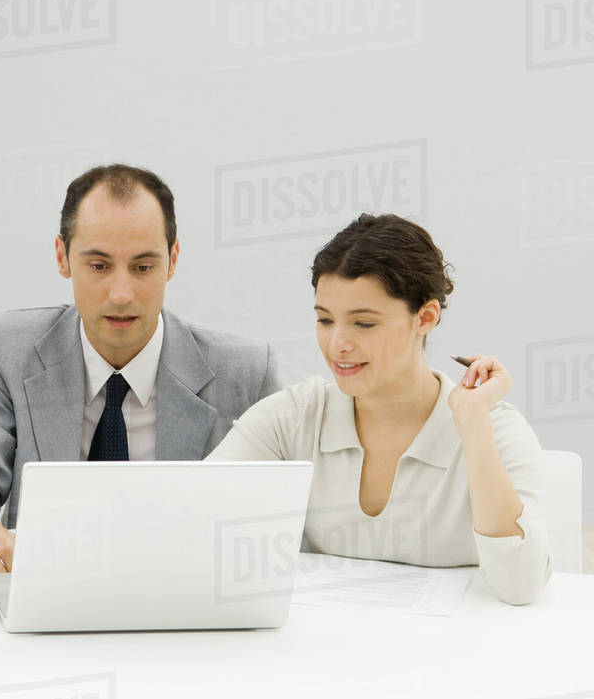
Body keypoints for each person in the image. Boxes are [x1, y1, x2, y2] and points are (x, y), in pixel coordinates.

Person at [0, 164, 281, 578]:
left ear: (173, 259)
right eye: (98, 266)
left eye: (143, 267)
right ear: (62, 257)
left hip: (186, 601)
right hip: (47, 597)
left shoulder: (247, 372)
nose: (122, 294)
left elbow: (279, 516)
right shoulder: (7, 348)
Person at [206, 213, 550, 605]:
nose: (337, 344)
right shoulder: (293, 416)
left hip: (458, 656)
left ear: (425, 317)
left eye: (363, 324)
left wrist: (472, 424)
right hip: (324, 654)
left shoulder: (497, 430)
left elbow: (520, 585)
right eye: (324, 320)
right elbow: (192, 515)